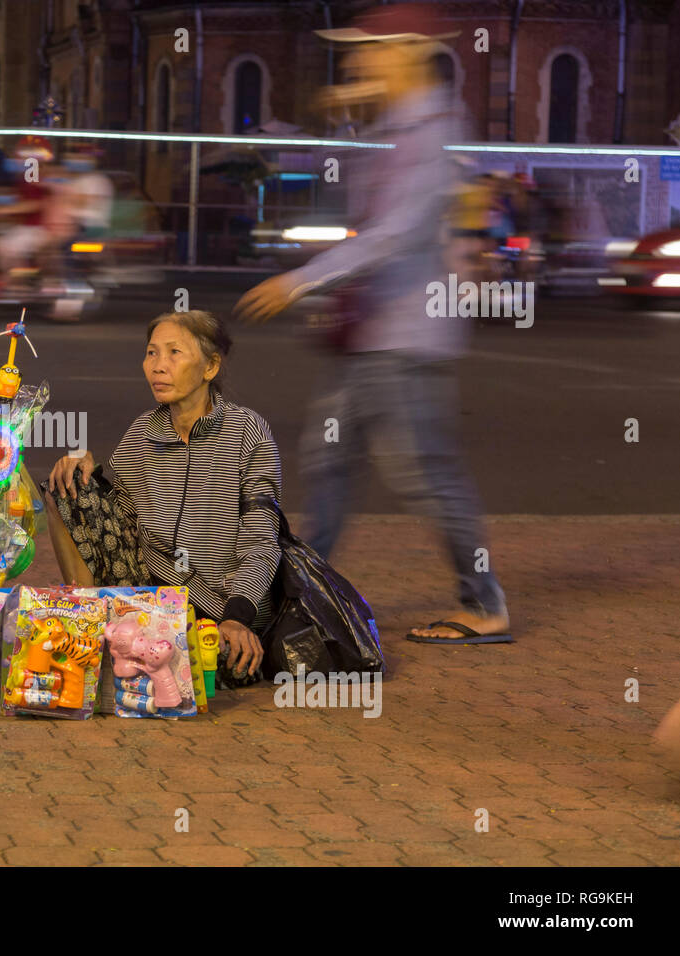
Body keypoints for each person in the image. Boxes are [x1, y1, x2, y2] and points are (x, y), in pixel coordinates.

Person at [234, 3, 510, 644]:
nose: (358, 60)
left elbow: (392, 233)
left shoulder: (432, 134)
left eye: (371, 49)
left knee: (426, 474)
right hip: (375, 333)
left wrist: (299, 280)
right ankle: (294, 593)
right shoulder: (402, 124)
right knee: (328, 459)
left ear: (410, 52)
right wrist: (347, 120)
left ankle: (486, 604)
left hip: (406, 335)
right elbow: (367, 205)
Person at [45, 310, 282, 680]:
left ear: (210, 366)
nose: (158, 366)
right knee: (70, 487)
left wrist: (238, 618)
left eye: (174, 353)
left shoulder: (246, 431)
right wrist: (84, 467)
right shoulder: (144, 431)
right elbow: (113, 520)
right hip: (157, 597)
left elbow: (262, 539)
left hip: (224, 605)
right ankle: (91, 623)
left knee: (201, 667)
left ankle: (141, 649)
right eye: (152, 353)